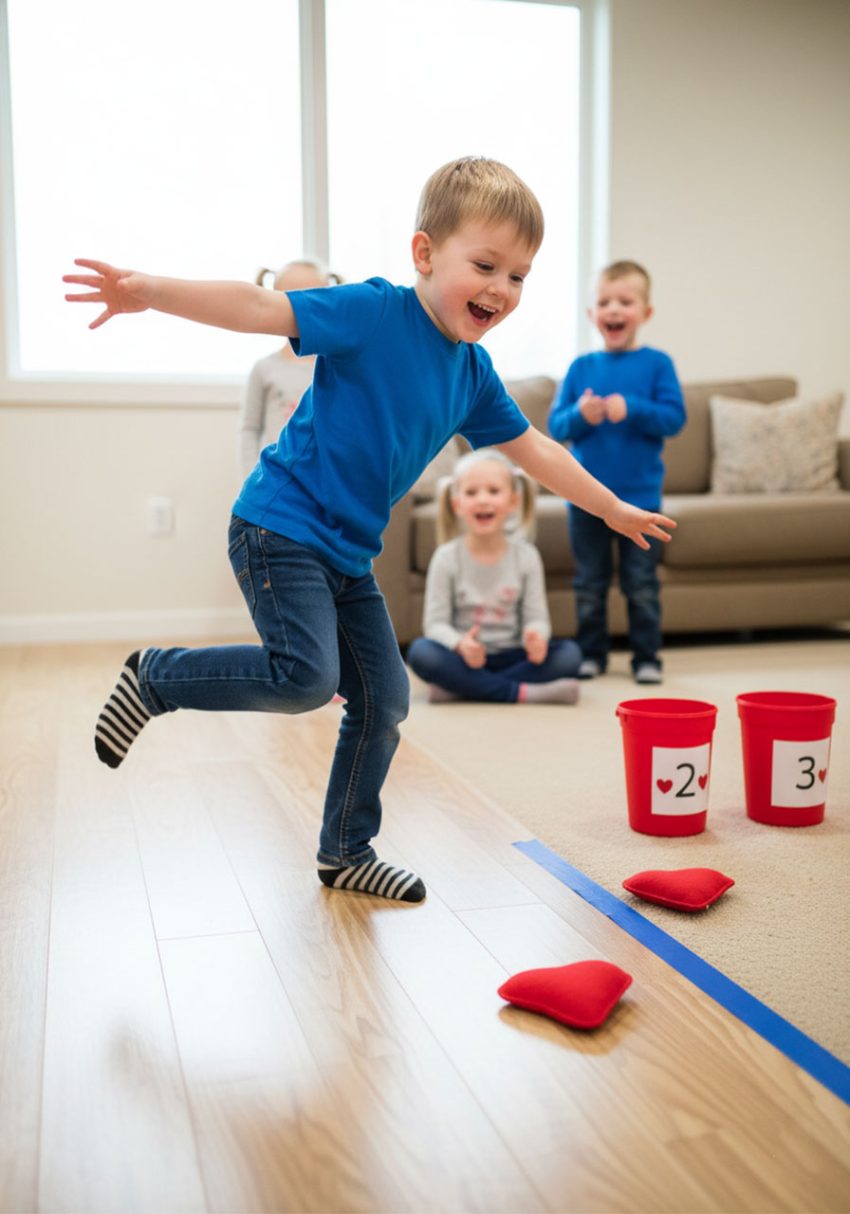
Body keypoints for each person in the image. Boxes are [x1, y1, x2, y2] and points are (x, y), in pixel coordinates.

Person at [63, 157, 676, 907]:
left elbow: (537, 450)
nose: (500, 290)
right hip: (277, 526)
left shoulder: (472, 374)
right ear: (424, 254)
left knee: (385, 700)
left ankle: (347, 850)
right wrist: (148, 291)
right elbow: (263, 309)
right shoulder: (374, 312)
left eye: (519, 276)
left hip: (346, 555)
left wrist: (611, 507)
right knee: (306, 679)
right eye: (484, 265)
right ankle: (156, 677)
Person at [548, 260, 685, 685]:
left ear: (645, 313)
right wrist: (581, 415)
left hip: (641, 500)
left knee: (640, 583)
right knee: (589, 582)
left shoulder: (658, 364)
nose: (614, 309)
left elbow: (674, 418)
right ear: (592, 315)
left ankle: (647, 658)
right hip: (586, 499)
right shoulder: (581, 368)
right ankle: (592, 654)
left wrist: (635, 409)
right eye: (604, 301)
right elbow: (556, 427)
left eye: (625, 301)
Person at [407, 448, 581, 704]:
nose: (483, 500)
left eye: (494, 491)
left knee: (570, 655)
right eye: (471, 492)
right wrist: (459, 645)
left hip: (513, 655)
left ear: (513, 501)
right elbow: (435, 625)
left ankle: (462, 688)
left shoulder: (526, 555)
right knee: (421, 653)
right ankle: (520, 692)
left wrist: (537, 637)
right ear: (457, 504)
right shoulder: (446, 557)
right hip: (465, 657)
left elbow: (537, 619)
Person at [239, 258, 341, 476]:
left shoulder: (337, 368)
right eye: (291, 299)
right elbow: (250, 428)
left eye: (313, 298)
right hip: (274, 478)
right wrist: (252, 476)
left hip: (321, 481)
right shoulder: (265, 368)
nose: (303, 310)